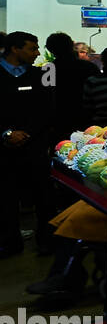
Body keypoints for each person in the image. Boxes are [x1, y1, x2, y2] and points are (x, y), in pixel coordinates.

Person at [1, 32, 57, 257]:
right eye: (32, 49)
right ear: (15, 49)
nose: (36, 54)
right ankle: (8, 242)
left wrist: (28, 134)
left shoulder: (42, 74)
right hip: (3, 150)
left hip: (34, 146)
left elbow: (48, 110)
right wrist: (5, 134)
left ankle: (46, 240)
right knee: (5, 198)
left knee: (44, 197)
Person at [45, 32, 100, 135]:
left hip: (59, 120)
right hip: (88, 120)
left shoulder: (48, 70)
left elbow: (46, 97)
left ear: (50, 50)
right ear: (72, 45)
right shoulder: (90, 67)